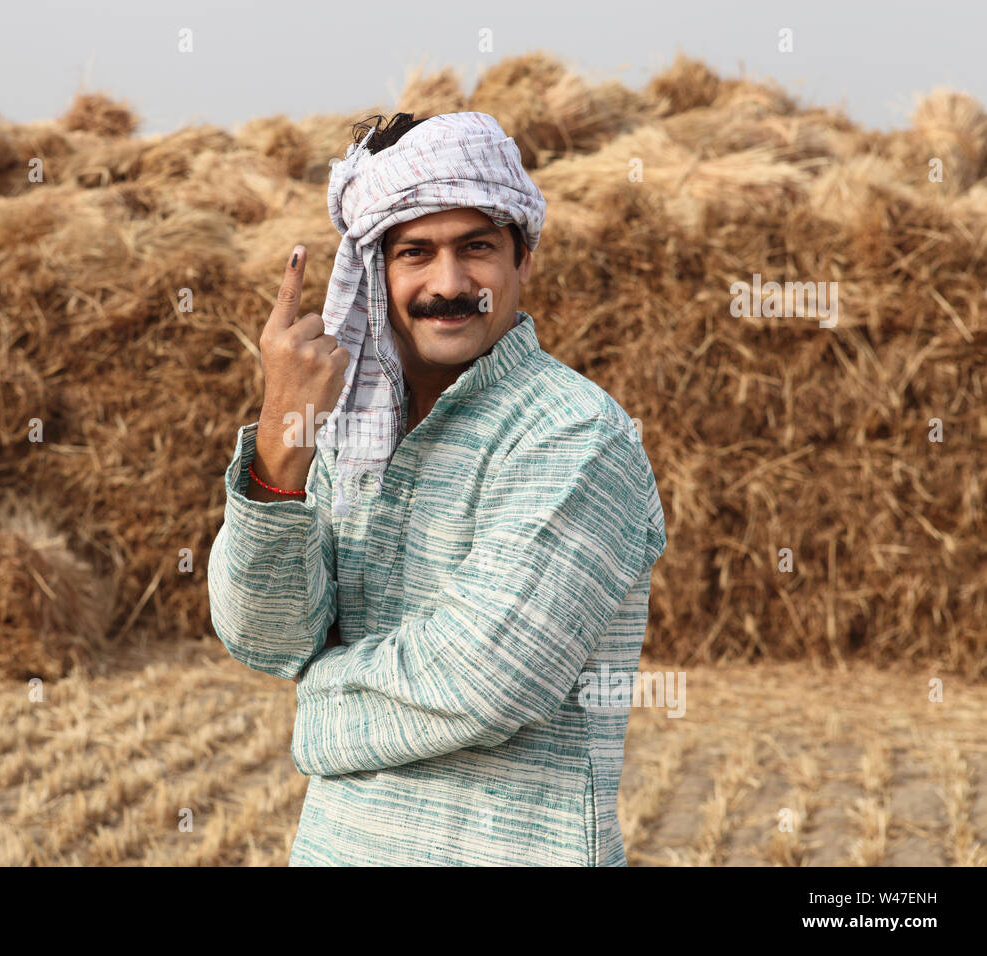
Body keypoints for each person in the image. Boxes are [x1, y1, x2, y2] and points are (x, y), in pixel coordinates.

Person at [207, 111, 667, 865]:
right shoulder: (341, 429)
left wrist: (312, 704)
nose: (448, 285)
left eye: (476, 248)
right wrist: (283, 438)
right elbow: (264, 638)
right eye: (414, 252)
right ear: (375, 270)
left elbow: (482, 677)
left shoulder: (575, 435)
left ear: (523, 261)